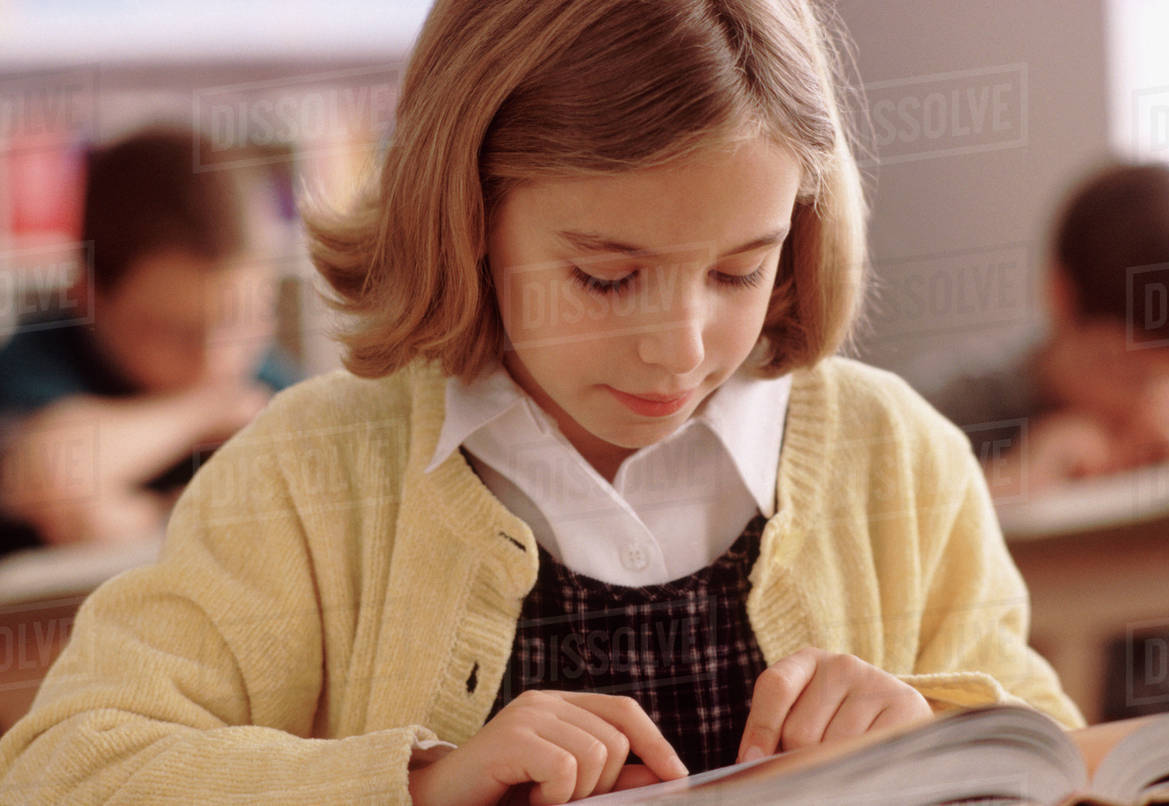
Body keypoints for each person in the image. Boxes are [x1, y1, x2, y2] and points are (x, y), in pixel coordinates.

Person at [0, 1, 1082, 803]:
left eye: (741, 269)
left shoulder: (894, 455)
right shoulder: (312, 472)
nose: (682, 346)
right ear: (467, 212)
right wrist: (414, 782)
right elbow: (60, 768)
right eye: (607, 277)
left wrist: (936, 737)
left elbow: (1053, 746)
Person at [0, 127, 301, 554]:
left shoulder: (271, 377)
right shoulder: (35, 361)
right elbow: (52, 475)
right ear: (87, 295)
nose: (216, 361)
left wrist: (147, 518)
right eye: (173, 331)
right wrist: (205, 408)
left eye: (245, 319)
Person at [922, 162, 1169, 496]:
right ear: (1061, 296)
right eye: (1130, 374)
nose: (1151, 402)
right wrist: (1025, 476)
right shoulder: (952, 412)